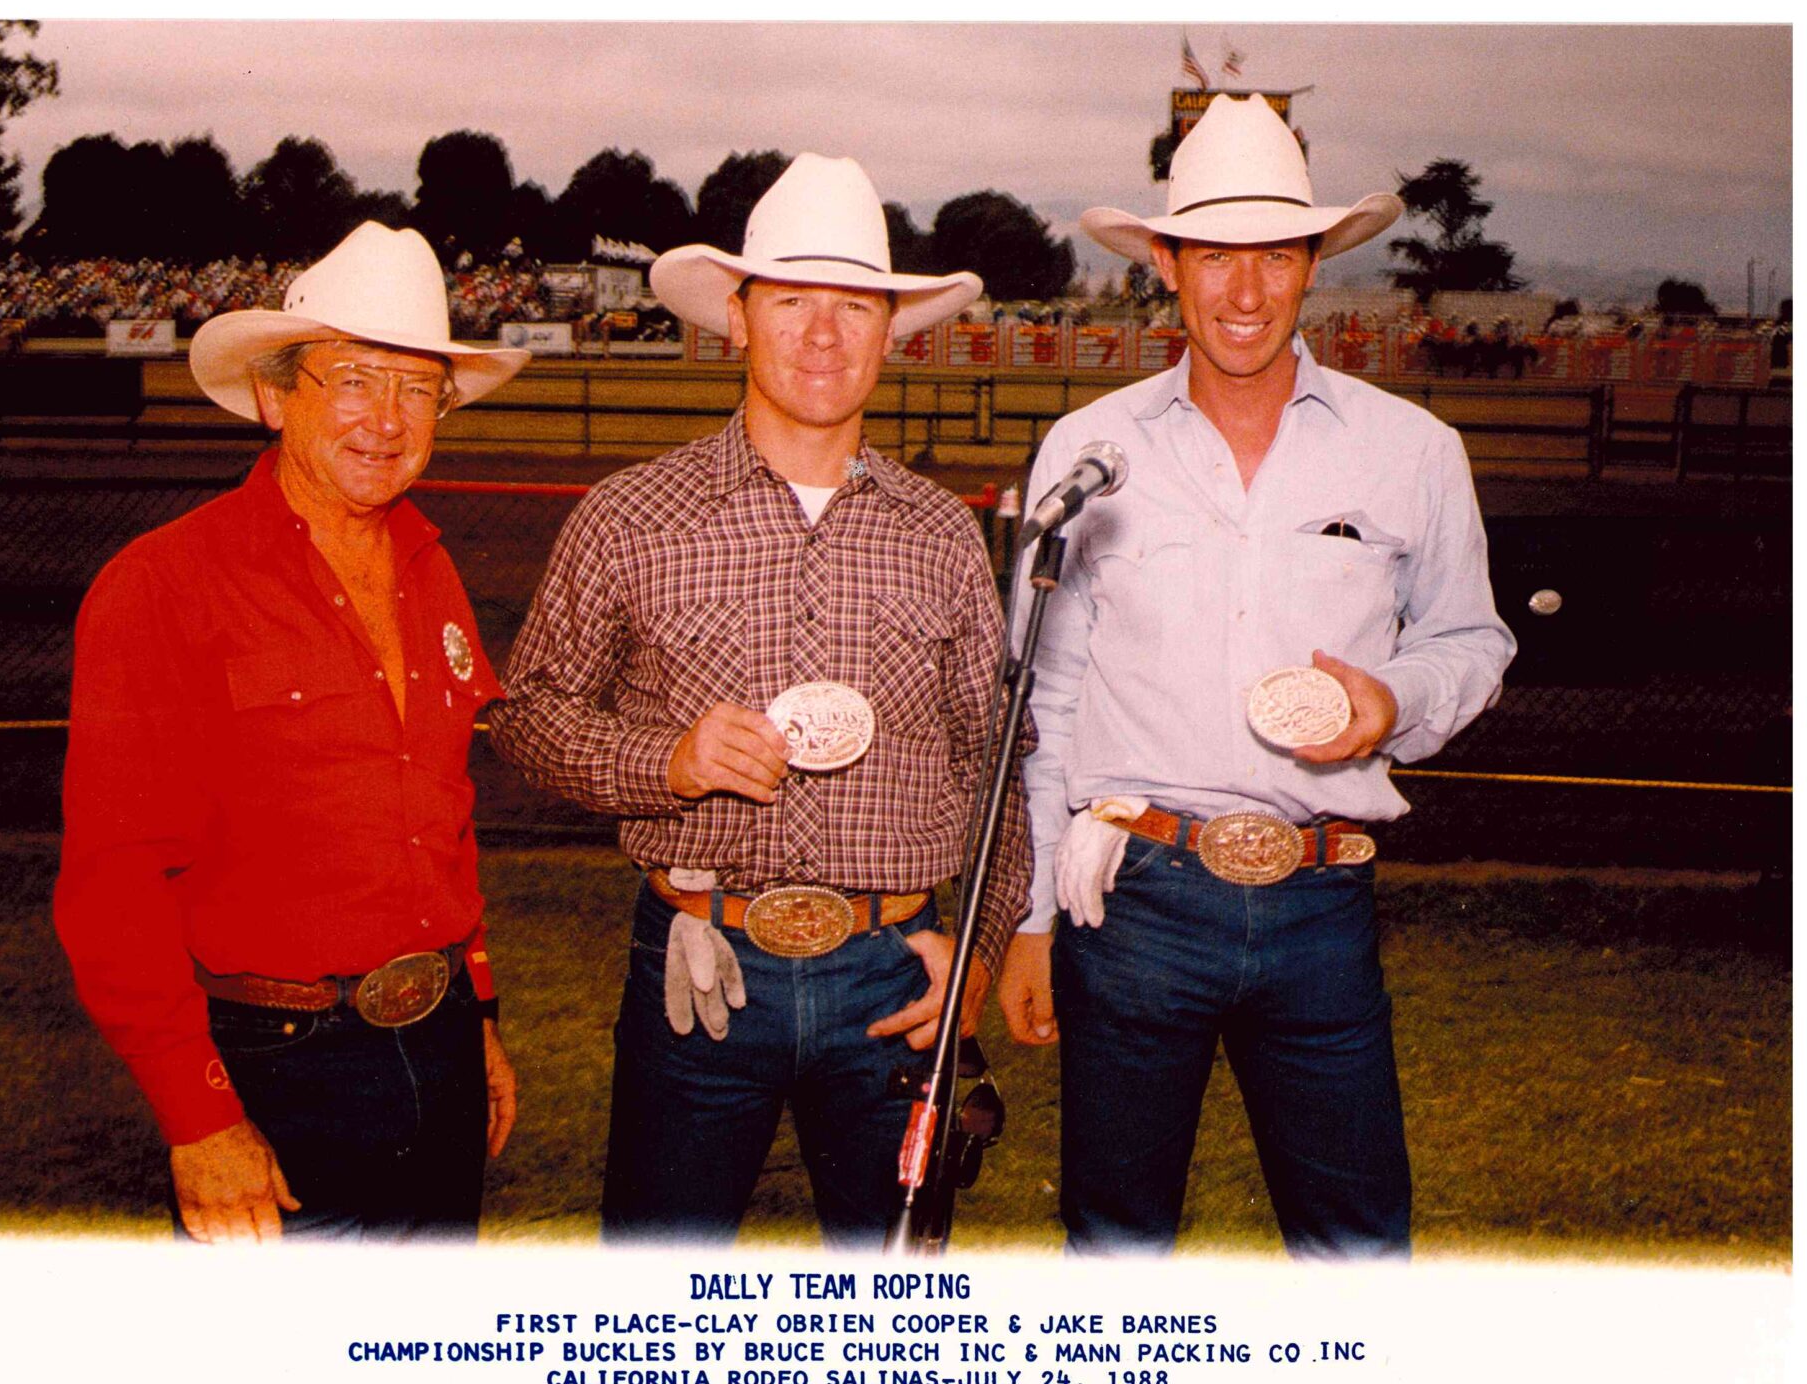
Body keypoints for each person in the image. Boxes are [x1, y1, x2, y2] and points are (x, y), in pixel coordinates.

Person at [998, 95, 1516, 1257]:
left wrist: (1390, 702)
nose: (1243, 290)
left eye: (1273, 254)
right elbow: (1045, 699)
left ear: (1312, 265)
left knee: (1355, 1249)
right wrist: (1029, 918)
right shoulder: (1089, 450)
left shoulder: (1410, 450)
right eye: (1213, 255)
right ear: (1165, 266)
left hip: (1318, 903)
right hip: (1130, 899)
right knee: (1113, 1249)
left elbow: (1470, 639)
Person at [487, 154, 1032, 1247]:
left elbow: (993, 768)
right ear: (736, 318)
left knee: (893, 1302)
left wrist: (976, 947)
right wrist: (665, 761)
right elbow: (527, 714)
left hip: (892, 969)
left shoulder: (939, 533)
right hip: (700, 959)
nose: (823, 334)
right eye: (790, 302)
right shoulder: (630, 516)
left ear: (889, 331)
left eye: (854, 306)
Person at [55, 222, 532, 1243]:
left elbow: (443, 819)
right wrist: (198, 1117)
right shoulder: (163, 585)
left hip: (440, 1042)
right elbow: (113, 882)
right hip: (272, 1065)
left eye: (418, 389)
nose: (387, 419)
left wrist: (479, 1017)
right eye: (353, 379)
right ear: (276, 397)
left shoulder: (431, 567)